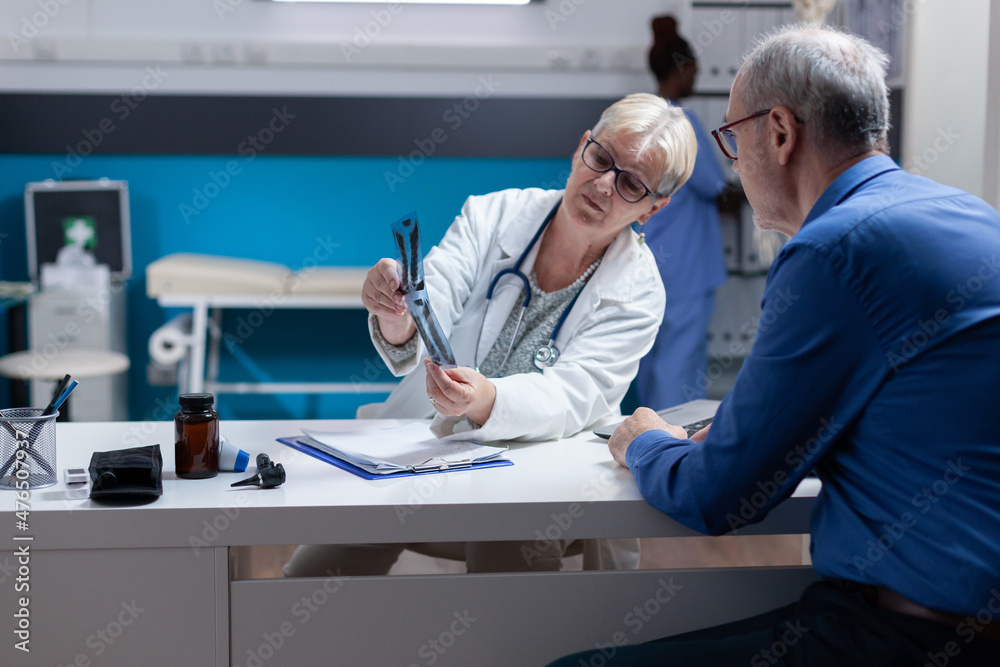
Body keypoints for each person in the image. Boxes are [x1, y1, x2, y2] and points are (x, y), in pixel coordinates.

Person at [549, 25, 1000, 665]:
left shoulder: (832, 248)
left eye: (733, 139)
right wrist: (755, 439)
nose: (733, 161)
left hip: (910, 635)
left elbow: (717, 498)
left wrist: (643, 440)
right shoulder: (971, 215)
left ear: (781, 134)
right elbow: (921, 425)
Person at [284, 93, 698, 577]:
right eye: (602, 158)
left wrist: (488, 399)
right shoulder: (493, 215)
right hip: (429, 441)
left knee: (507, 558)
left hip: (544, 464)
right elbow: (433, 293)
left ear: (652, 208)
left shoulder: (639, 292)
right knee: (314, 570)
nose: (604, 184)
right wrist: (398, 314)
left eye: (631, 184)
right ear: (581, 148)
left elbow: (574, 393)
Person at [635, 15, 730, 410]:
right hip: (687, 270)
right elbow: (716, 188)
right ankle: (674, 448)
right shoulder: (682, 123)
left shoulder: (640, 120)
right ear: (682, 68)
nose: (698, 76)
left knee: (649, 362)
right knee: (681, 367)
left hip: (648, 261)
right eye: (694, 69)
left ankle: (644, 440)